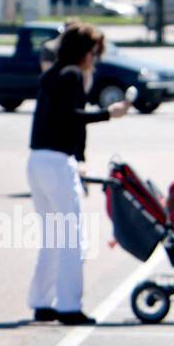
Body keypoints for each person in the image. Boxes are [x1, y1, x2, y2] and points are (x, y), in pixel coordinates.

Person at [25, 22, 129, 326]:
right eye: (94, 52)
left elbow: (63, 117)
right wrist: (109, 113)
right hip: (56, 161)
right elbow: (71, 117)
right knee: (72, 238)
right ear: (84, 52)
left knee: (53, 237)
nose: (95, 59)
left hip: (38, 159)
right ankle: (69, 305)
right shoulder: (71, 75)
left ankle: (41, 301)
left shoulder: (54, 73)